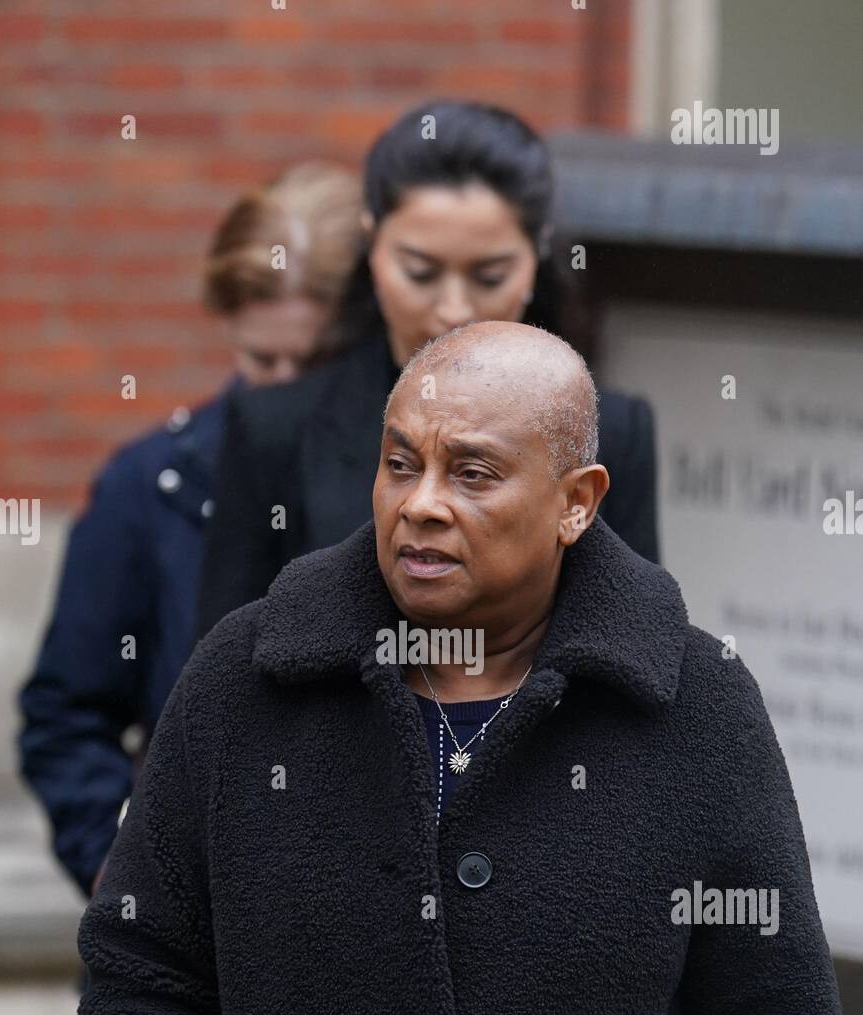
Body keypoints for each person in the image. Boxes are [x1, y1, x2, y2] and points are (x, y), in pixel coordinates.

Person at [77, 321, 862, 1015]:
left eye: (474, 473)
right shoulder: (247, 681)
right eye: (400, 462)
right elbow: (142, 969)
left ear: (576, 503)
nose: (421, 505)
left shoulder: (694, 706)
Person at [17, 163, 363, 901]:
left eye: (314, 363)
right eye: (260, 359)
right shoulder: (147, 486)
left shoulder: (401, 487)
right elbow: (66, 713)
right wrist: (123, 872)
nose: (283, 386)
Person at [196, 101, 659, 640]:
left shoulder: (614, 432)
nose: (454, 309)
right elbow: (224, 672)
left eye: (489, 276)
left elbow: (631, 653)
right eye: (421, 272)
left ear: (535, 258)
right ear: (373, 249)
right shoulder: (274, 428)